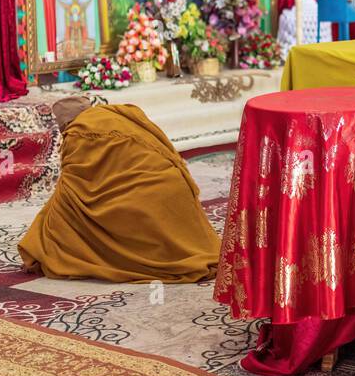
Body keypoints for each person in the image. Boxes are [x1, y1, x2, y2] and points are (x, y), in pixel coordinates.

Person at [19, 96, 218, 283]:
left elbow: (73, 187)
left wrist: (43, 240)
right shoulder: (117, 113)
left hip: (147, 198)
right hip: (175, 184)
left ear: (65, 124)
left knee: (66, 210)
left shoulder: (77, 132)